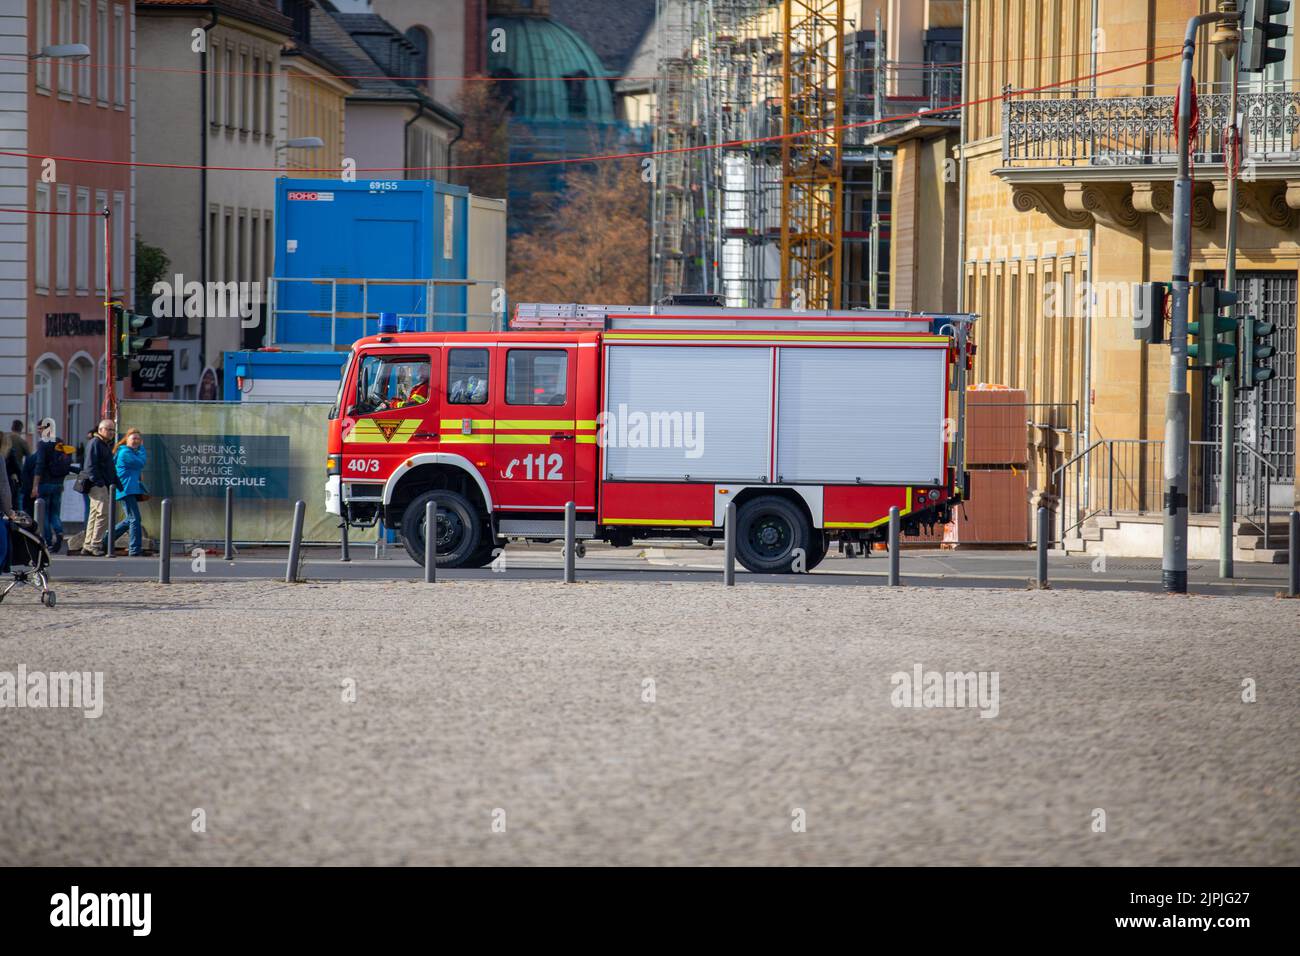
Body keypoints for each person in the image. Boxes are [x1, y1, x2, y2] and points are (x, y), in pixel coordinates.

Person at [30, 418, 72, 553]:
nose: (38, 432)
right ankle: (59, 533)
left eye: (40, 429)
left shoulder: (43, 444)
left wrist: (35, 485)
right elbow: (64, 463)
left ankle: (48, 541)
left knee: (44, 513)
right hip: (58, 483)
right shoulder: (59, 441)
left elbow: (40, 465)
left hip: (45, 483)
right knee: (55, 512)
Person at [81, 419, 118, 556]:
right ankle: (95, 544)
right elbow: (90, 465)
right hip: (97, 484)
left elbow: (108, 467)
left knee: (94, 514)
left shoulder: (102, 444)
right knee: (103, 514)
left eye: (113, 430)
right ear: (100, 430)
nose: (111, 432)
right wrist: (99, 482)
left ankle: (88, 544)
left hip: (99, 483)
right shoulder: (96, 443)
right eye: (108, 429)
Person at [112, 428, 148, 557]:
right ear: (126, 439)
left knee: (130, 519)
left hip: (128, 490)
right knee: (134, 519)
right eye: (133, 438)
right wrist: (142, 449)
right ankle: (134, 549)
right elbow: (141, 462)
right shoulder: (125, 453)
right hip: (125, 489)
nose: (136, 441)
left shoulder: (130, 452)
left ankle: (107, 541)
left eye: (138, 439)